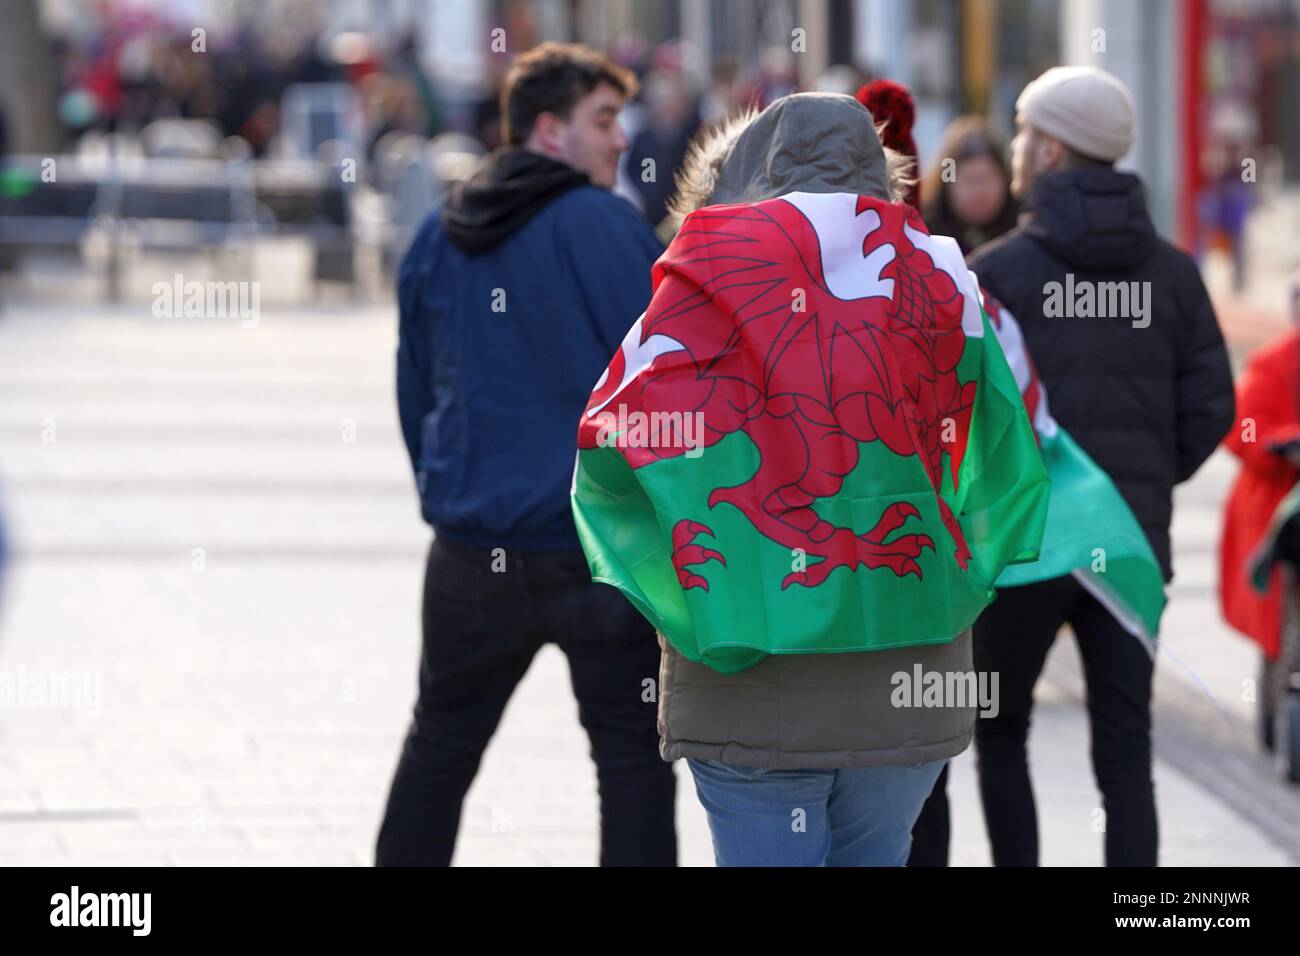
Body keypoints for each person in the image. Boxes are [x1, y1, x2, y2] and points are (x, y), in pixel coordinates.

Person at [604, 91, 1049, 867]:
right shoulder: (948, 279)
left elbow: (617, 446)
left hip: (745, 667)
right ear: (882, 172)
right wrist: (964, 567)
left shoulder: (697, 282)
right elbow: (1006, 456)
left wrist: (678, 592)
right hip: (909, 670)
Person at [376, 42, 676, 867]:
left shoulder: (439, 235)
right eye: (605, 120)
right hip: (599, 552)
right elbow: (665, 382)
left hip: (473, 551)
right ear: (549, 130)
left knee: (439, 746)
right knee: (631, 761)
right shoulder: (609, 227)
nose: (623, 139)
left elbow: (414, 390)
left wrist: (447, 490)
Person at [964, 66, 1235, 866]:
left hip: (1024, 545)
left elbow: (963, 414)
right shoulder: (1177, 274)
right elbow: (1214, 407)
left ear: (1049, 148)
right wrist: (1144, 482)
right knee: (1126, 752)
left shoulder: (995, 275)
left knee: (1001, 733)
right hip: (1130, 543)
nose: (1013, 150)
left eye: (1019, 133)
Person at [1220, 271, 1300, 739]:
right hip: (1278, 504)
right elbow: (1242, 429)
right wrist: (1282, 444)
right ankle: (1276, 703)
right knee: (1279, 610)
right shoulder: (1272, 365)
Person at [921, 116, 1020, 256]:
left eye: (987, 178)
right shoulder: (925, 236)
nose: (979, 191)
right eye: (969, 179)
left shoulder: (1019, 232)